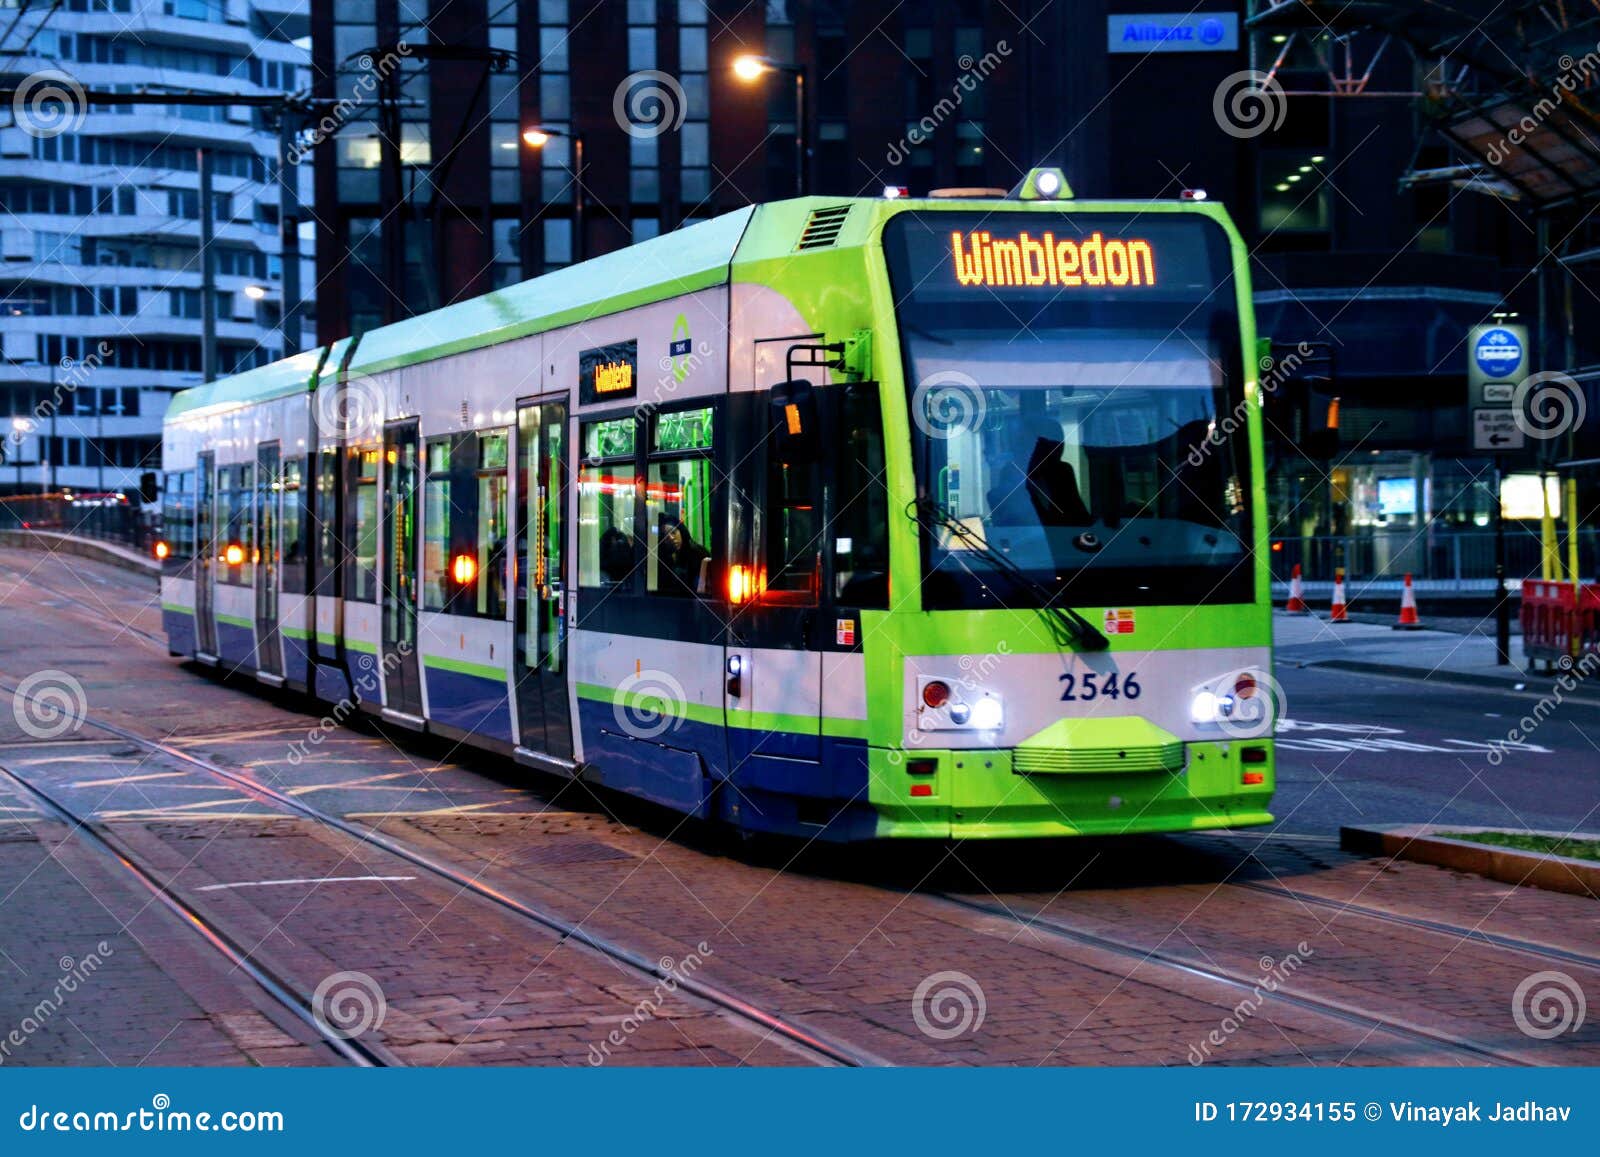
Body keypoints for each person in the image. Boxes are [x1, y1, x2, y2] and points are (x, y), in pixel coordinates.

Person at [657, 516, 709, 595]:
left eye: (673, 532)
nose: (671, 538)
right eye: (665, 536)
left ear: (681, 531)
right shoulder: (660, 558)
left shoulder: (699, 554)